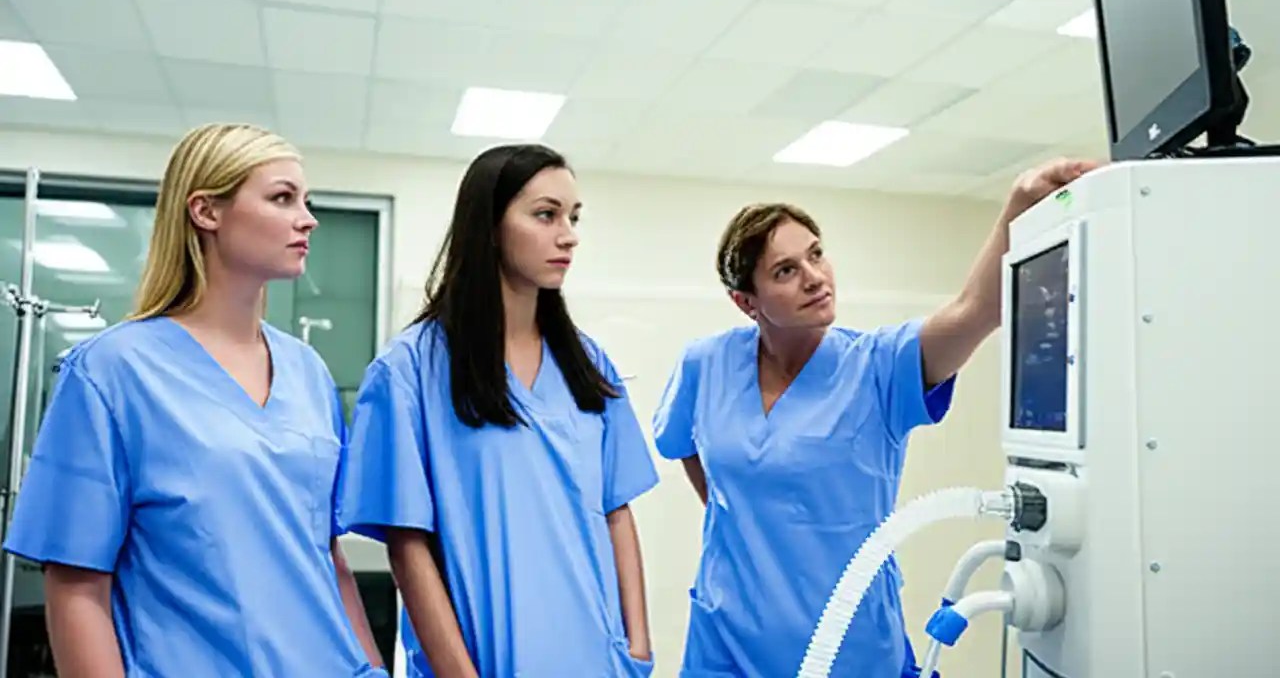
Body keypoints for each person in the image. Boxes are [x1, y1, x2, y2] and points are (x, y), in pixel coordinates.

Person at [652, 158, 1098, 677]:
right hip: (724, 636)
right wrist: (740, 513)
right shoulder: (706, 364)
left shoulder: (878, 367)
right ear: (745, 302)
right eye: (785, 271)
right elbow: (681, 440)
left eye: (816, 254)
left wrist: (1016, 208)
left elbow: (976, 309)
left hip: (846, 643)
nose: (815, 277)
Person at [2, 123, 386, 677]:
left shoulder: (307, 373)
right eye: (282, 198)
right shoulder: (114, 371)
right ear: (206, 211)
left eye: (306, 200)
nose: (308, 218)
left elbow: (326, 556)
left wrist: (371, 669)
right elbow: (77, 585)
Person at [338, 143, 660, 678]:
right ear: (488, 225)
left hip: (598, 661)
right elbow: (407, 544)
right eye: (546, 214)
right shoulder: (410, 372)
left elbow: (617, 511)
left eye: (573, 217)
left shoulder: (586, 363)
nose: (568, 234)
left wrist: (639, 650)